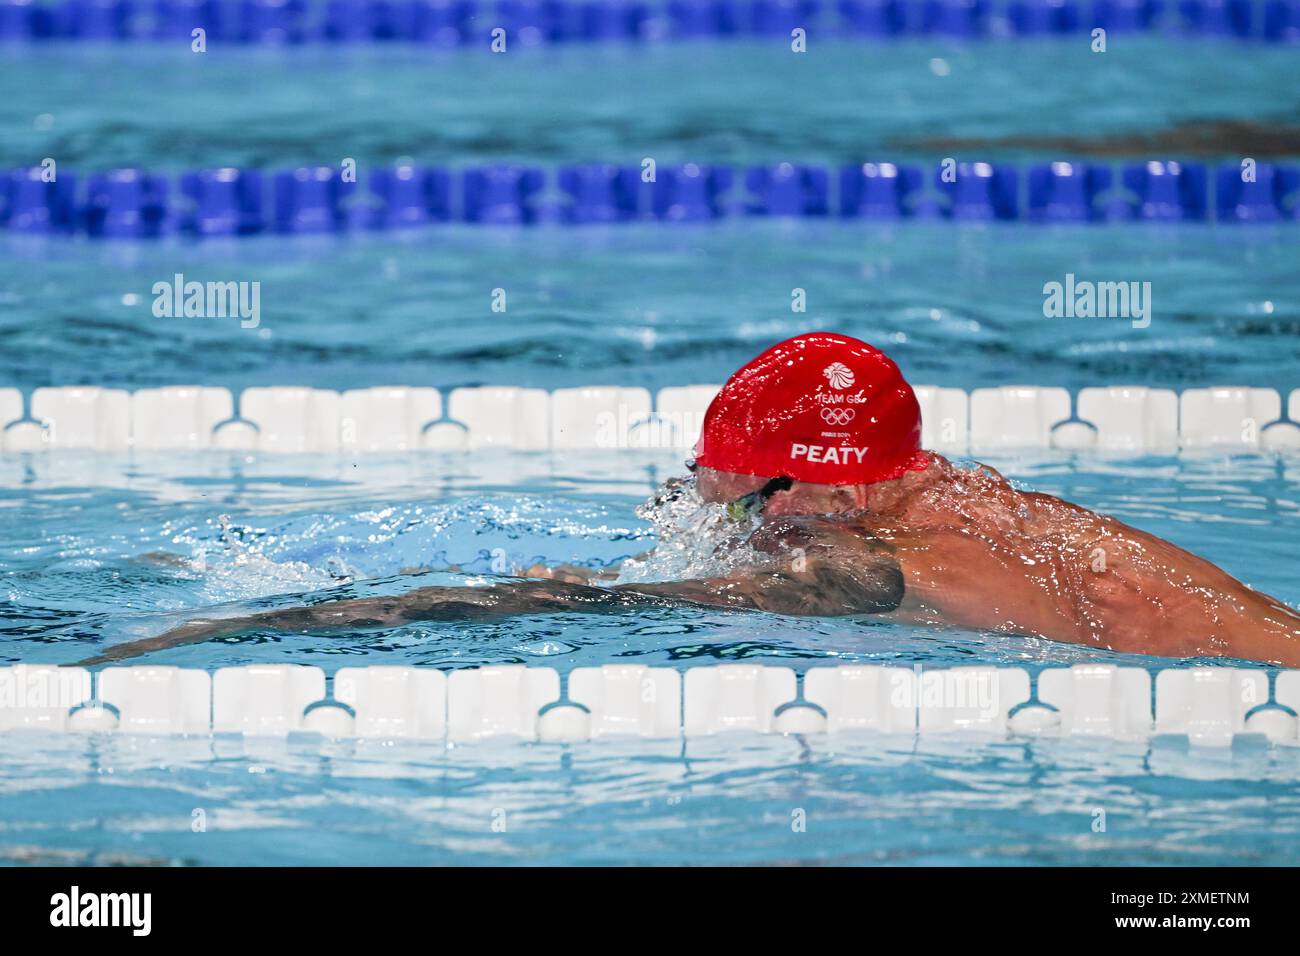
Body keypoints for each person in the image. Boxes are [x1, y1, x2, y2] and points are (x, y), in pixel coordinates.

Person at [80, 332, 1300, 667]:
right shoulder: (980, 502)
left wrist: (225, 631)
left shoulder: (862, 564)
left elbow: (536, 605)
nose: (707, 508)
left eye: (723, 491)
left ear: (795, 486)